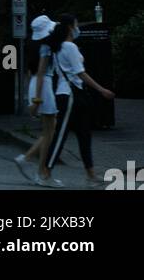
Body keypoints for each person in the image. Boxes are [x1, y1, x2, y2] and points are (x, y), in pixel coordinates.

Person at [46, 13, 114, 188]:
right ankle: (45, 173)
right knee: (61, 135)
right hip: (69, 95)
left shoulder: (60, 47)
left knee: (85, 134)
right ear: (70, 27)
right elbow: (80, 73)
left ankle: (90, 174)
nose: (77, 29)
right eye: (76, 25)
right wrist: (101, 90)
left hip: (71, 95)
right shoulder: (69, 47)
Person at [14, 14, 61, 187]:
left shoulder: (32, 46)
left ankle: (33, 165)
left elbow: (31, 73)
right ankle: (36, 167)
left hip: (35, 84)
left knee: (48, 130)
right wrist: (37, 99)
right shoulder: (46, 47)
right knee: (50, 131)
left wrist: (33, 95)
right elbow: (42, 73)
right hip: (44, 85)